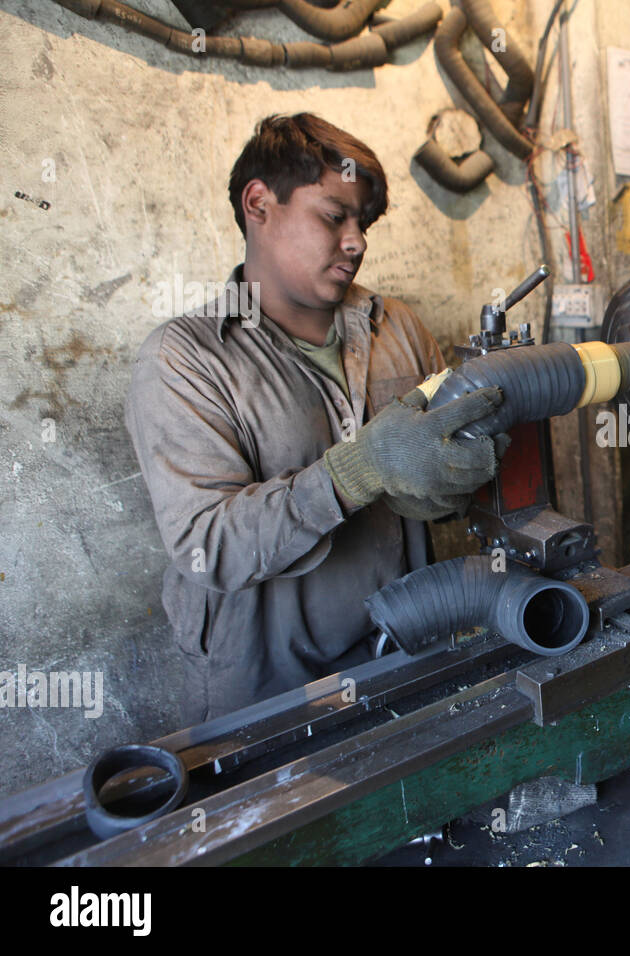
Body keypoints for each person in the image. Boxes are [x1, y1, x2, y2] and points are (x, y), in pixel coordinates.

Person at [126, 114, 503, 723]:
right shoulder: (186, 358)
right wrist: (359, 471)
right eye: (335, 216)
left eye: (364, 224)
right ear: (260, 204)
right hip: (265, 687)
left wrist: (448, 480)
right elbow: (208, 545)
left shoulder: (398, 328)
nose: (356, 242)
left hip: (402, 644)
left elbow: (452, 477)